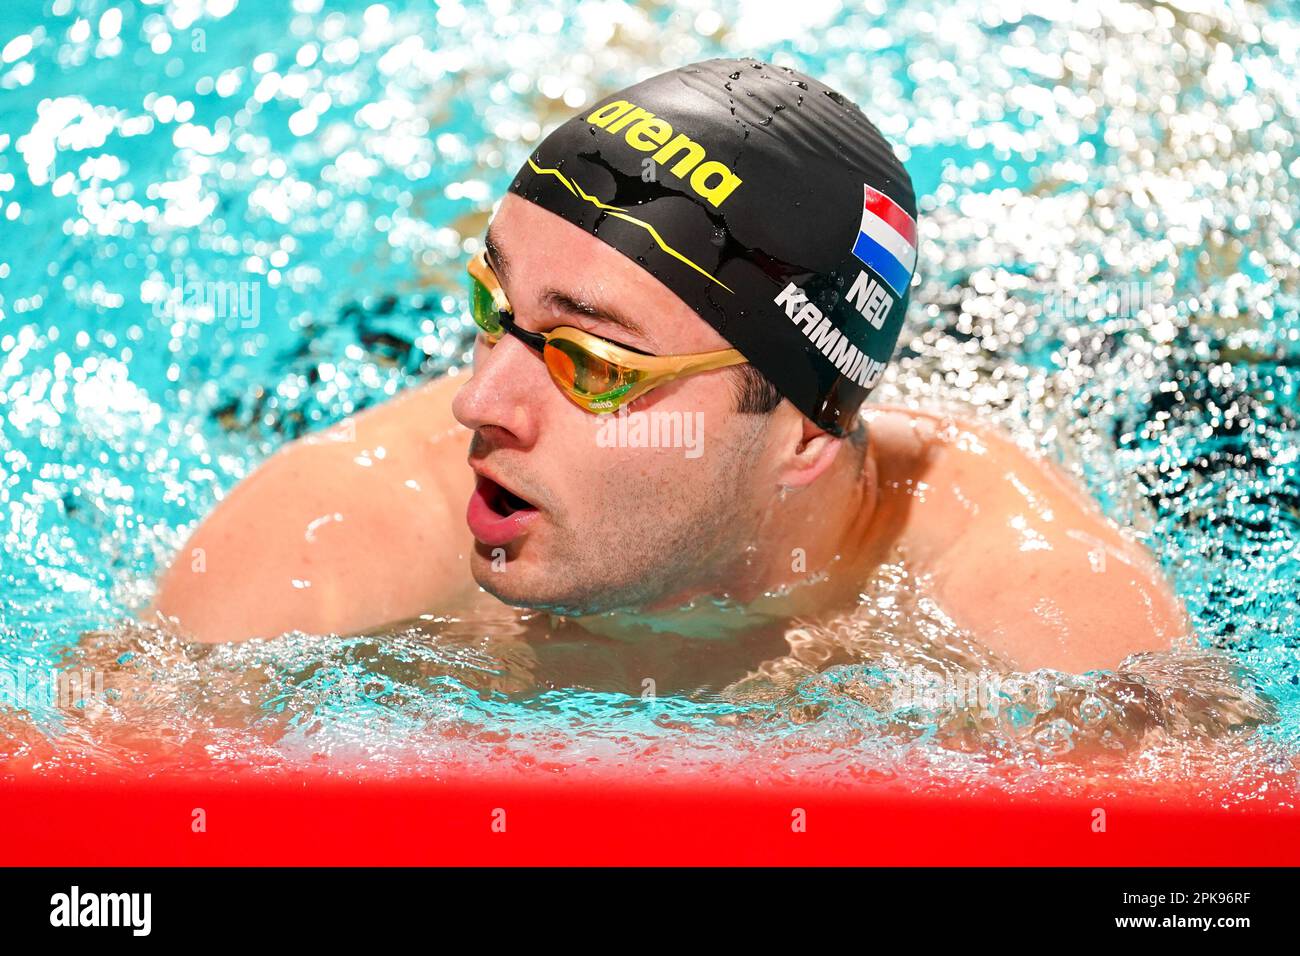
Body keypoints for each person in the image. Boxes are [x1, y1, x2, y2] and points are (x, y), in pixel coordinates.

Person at [143, 57, 1189, 690]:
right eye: (492, 309)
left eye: (592, 361)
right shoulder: (335, 532)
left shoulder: (1039, 607)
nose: (477, 401)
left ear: (807, 435)